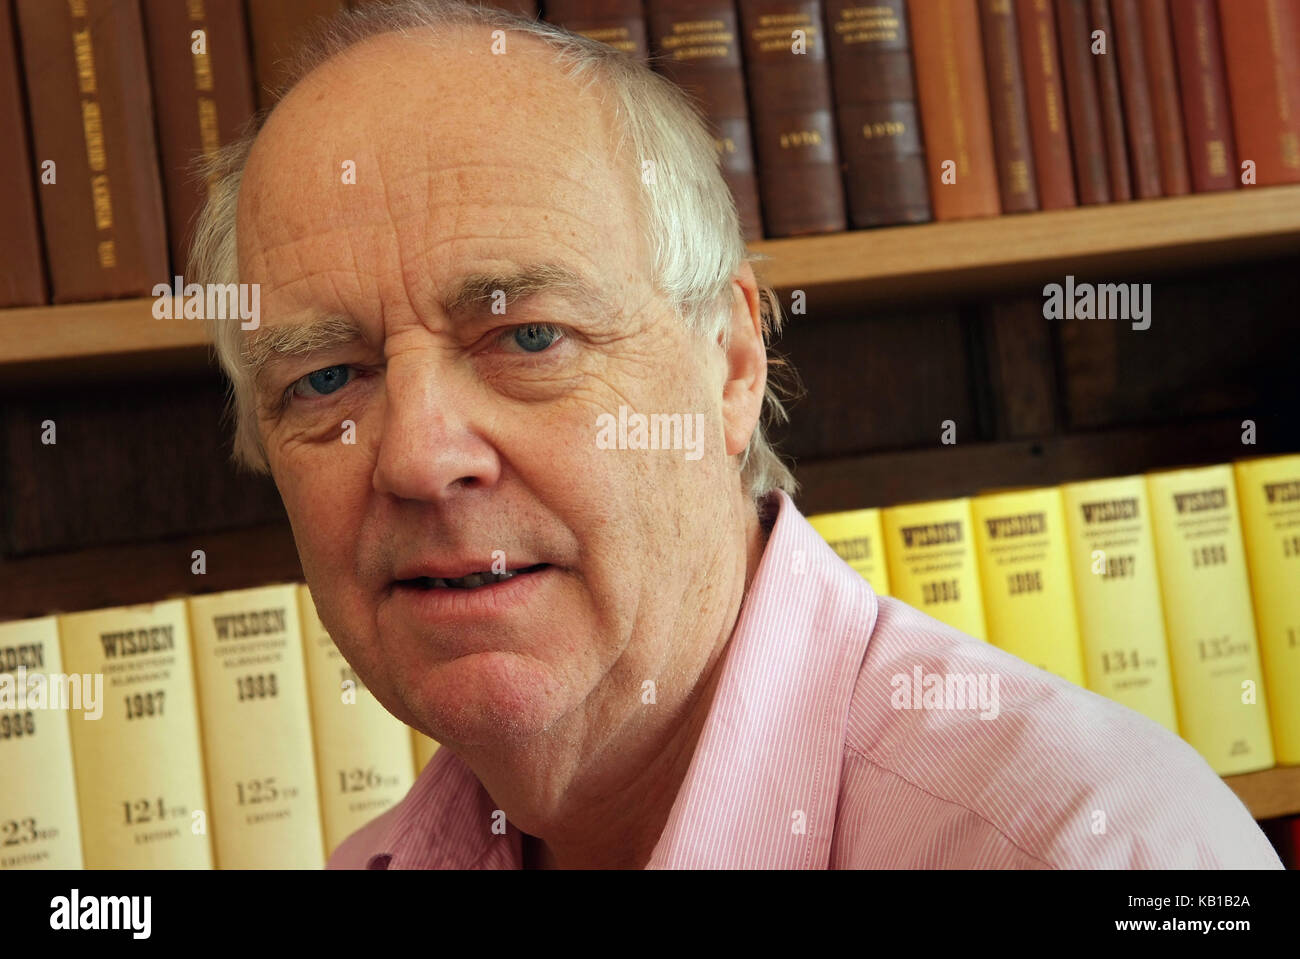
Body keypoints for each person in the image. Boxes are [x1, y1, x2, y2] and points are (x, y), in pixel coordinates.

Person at [190, 0, 1281, 869]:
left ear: (730, 366)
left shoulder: (1087, 849)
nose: (420, 456)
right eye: (325, 375)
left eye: (528, 335)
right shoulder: (368, 862)